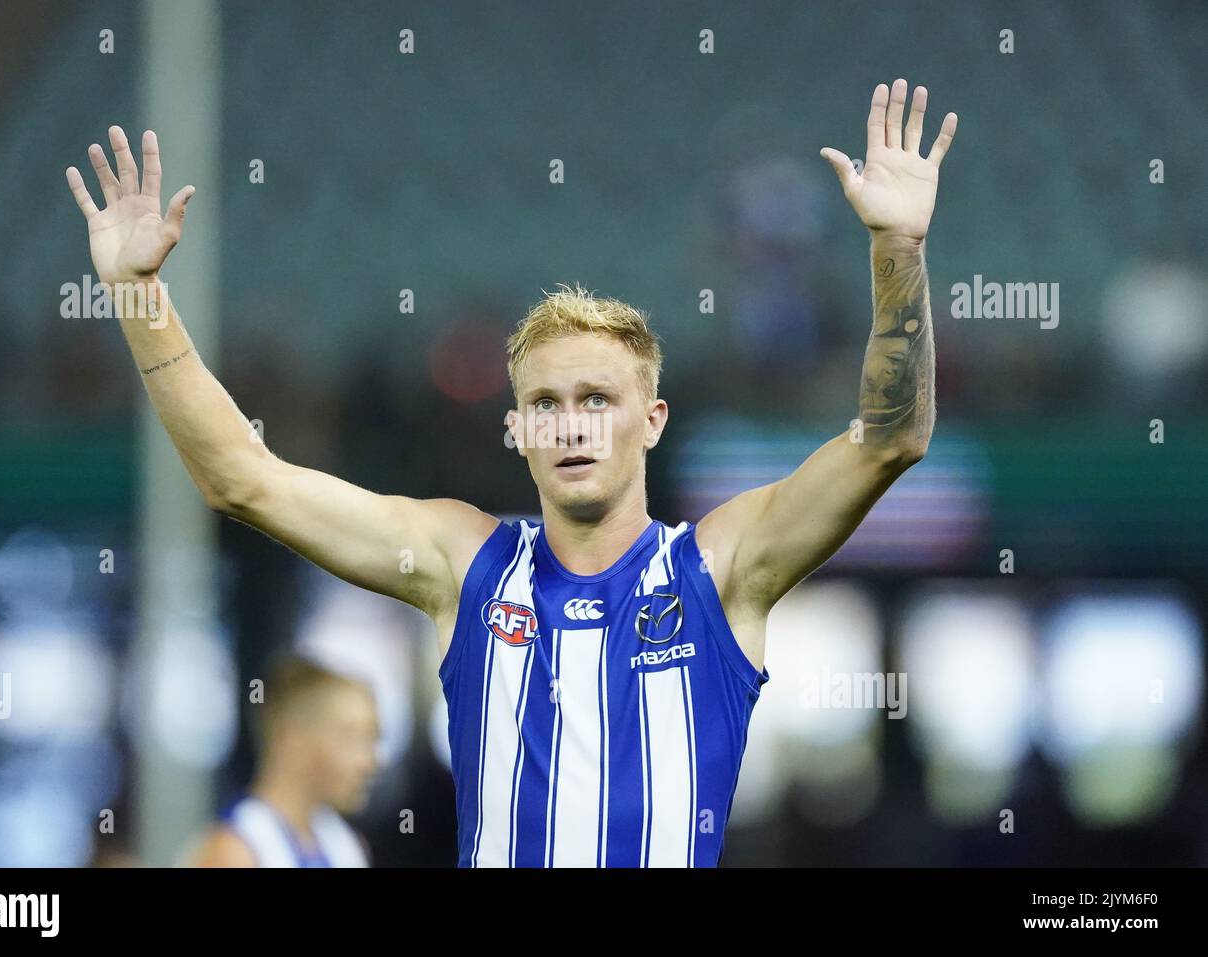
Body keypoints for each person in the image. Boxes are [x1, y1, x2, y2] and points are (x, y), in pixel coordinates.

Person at [65, 78, 956, 867]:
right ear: (518, 429)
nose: (572, 424)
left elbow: (889, 441)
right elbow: (243, 481)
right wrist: (141, 299)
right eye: (547, 403)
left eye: (598, 399)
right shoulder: (465, 563)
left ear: (652, 421)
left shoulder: (722, 571)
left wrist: (897, 251)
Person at [183, 655, 379, 867]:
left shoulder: (345, 845)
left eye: (372, 739)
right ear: (292, 738)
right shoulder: (235, 851)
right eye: (350, 738)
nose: (369, 763)